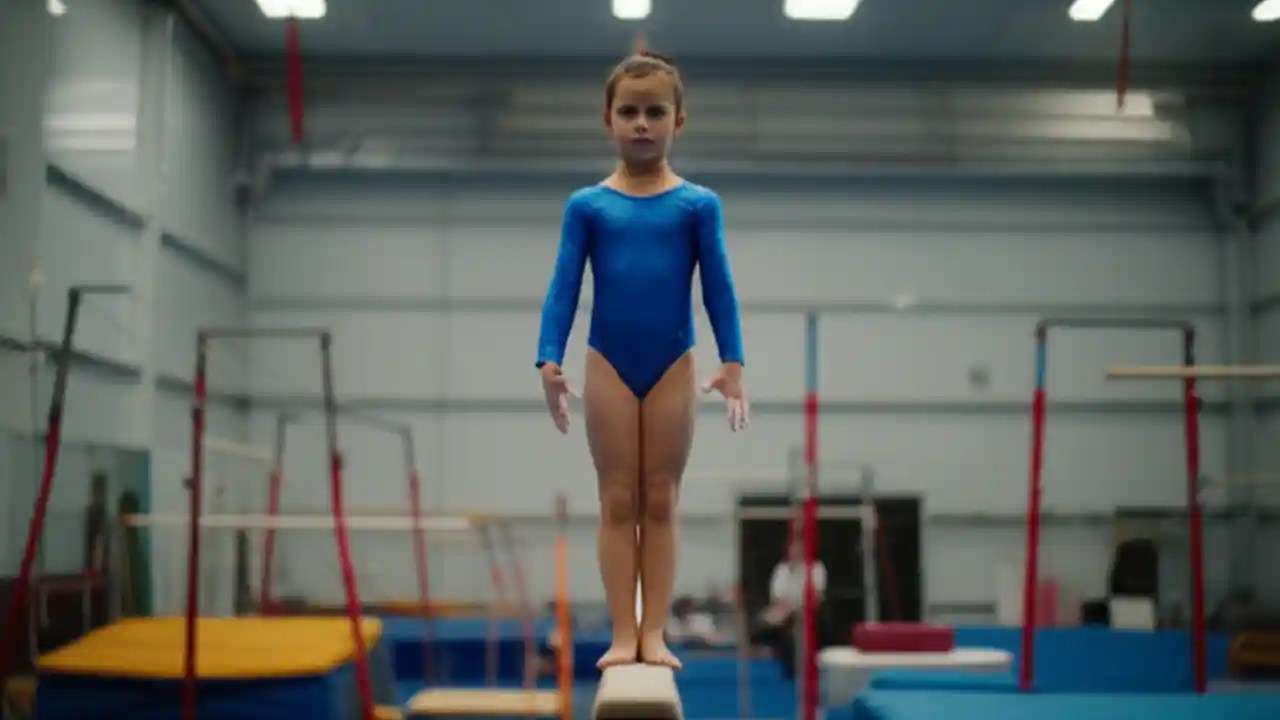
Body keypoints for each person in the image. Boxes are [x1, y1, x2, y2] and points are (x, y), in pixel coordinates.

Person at [535, 49, 749, 671]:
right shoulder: (589, 206)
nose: (641, 124)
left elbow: (719, 289)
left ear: (679, 120)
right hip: (607, 362)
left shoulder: (697, 205)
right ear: (608, 118)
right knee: (616, 501)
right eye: (628, 111)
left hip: (673, 364)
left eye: (655, 112)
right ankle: (621, 634)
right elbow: (563, 287)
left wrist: (732, 360)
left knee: (660, 499)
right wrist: (548, 358)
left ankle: (653, 633)